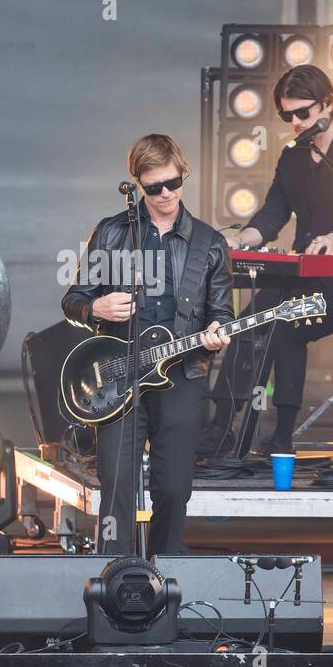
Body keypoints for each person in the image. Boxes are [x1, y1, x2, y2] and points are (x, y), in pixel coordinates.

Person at [202, 64, 333, 455]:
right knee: (247, 324)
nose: (294, 123)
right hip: (308, 275)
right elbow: (273, 215)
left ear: (328, 103)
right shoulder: (293, 157)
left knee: (285, 328)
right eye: (286, 116)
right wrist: (240, 239)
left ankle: (280, 436)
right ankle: (222, 428)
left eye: (302, 113)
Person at [62, 134, 234, 556]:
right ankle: (114, 582)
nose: (165, 195)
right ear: (137, 184)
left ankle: (165, 576)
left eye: (172, 184)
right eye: (154, 187)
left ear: (183, 176)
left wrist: (217, 336)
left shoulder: (209, 243)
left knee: (173, 490)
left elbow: (223, 314)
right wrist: (97, 307)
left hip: (182, 375)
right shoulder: (112, 232)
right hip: (120, 375)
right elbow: (73, 301)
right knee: (117, 488)